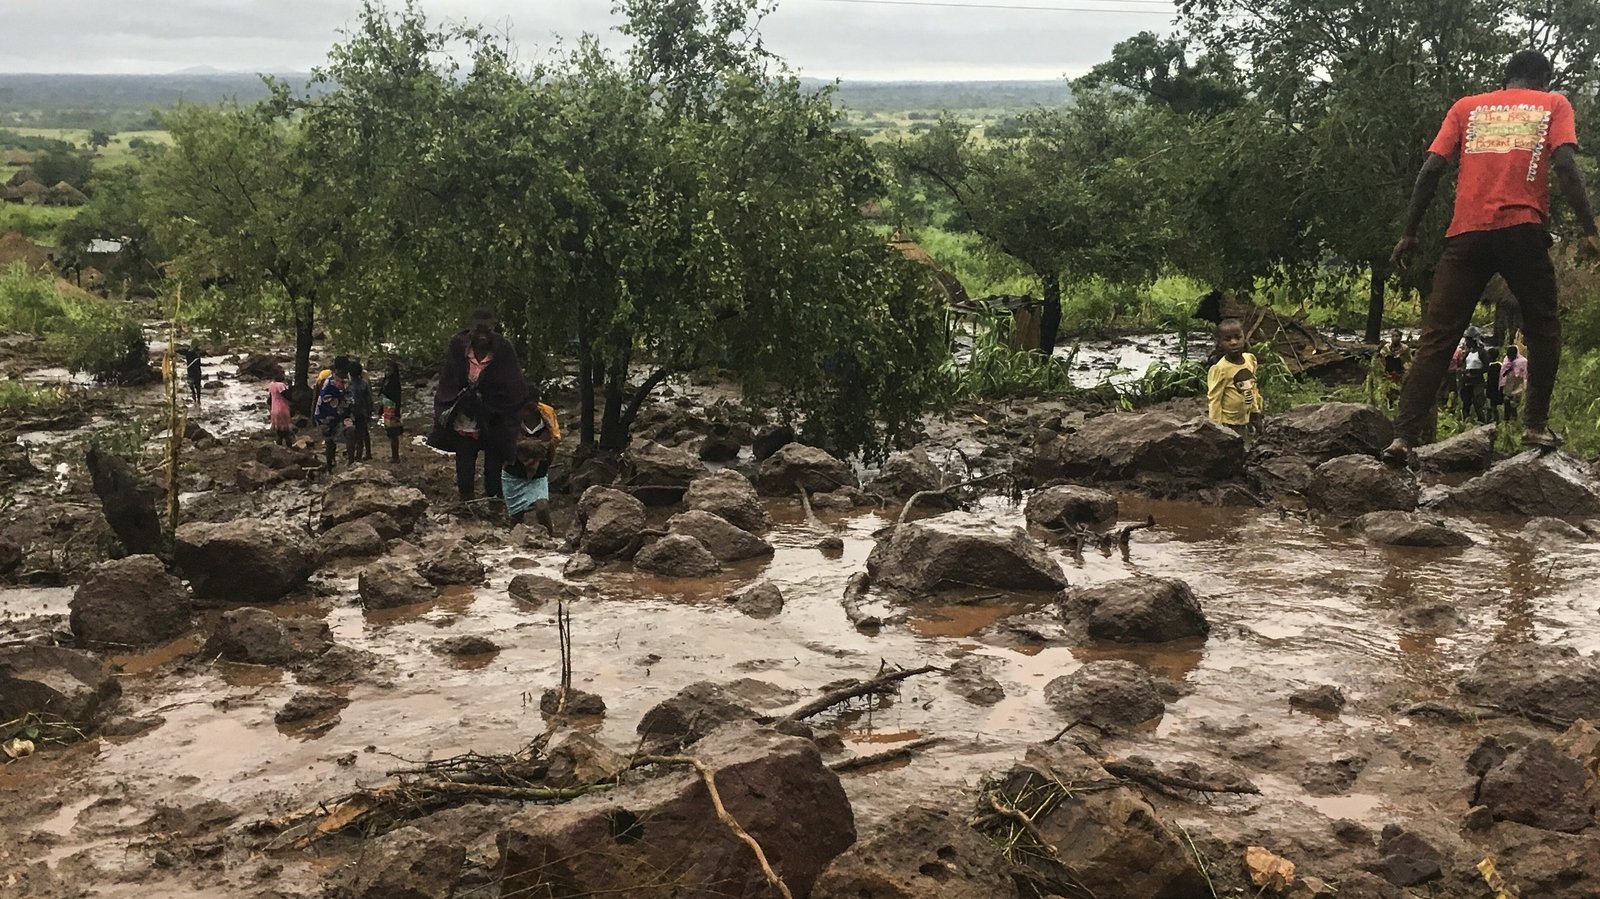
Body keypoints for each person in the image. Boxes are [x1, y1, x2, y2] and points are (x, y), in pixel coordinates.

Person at [1385, 49, 1600, 463]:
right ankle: (1534, 426)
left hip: (1466, 235)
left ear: (1506, 78)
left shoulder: (1466, 108)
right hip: (1523, 231)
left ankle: (1402, 438)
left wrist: (1409, 233)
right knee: (1543, 327)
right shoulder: (1554, 104)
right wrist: (1591, 230)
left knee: (1437, 337)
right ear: (1544, 79)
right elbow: (1567, 168)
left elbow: (1430, 170)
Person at [428, 308, 528, 503]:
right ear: (470, 330)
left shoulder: (504, 350)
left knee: (493, 472)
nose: (482, 335)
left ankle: (494, 508)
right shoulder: (458, 346)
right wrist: (462, 398)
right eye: (477, 330)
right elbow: (448, 380)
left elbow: (514, 387)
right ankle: (466, 506)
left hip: (495, 421)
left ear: (494, 329)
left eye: (487, 330)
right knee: (464, 469)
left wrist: (490, 402)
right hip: (465, 418)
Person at [503, 396, 557, 534]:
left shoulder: (548, 419)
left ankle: (550, 537)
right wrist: (531, 445)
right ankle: (515, 546)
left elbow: (552, 444)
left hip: (538, 474)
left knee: (542, 507)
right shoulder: (511, 418)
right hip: (513, 473)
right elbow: (504, 441)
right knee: (516, 516)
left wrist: (528, 447)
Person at [1207, 319, 1264, 437]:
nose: (1233, 342)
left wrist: (1256, 412)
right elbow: (1215, 400)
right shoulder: (1220, 369)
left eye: (1238, 337)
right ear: (1220, 343)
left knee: (1249, 446)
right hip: (1229, 424)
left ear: (1244, 337)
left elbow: (1252, 389)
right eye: (1227, 339)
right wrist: (1217, 428)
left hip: (1247, 418)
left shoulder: (1250, 360)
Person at [313, 357, 352, 473]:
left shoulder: (334, 379)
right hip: (328, 417)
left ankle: (333, 463)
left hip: (331, 415)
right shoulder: (333, 383)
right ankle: (333, 465)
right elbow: (343, 399)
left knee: (332, 441)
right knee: (334, 439)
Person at [346, 359, 374, 463]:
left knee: (349, 437)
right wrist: (370, 413)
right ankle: (358, 459)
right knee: (360, 437)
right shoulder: (364, 384)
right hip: (361, 414)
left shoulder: (347, 385)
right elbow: (369, 400)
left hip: (348, 415)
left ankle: (350, 460)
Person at [1458, 333, 1490, 422]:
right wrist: (1463, 371)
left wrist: (1474, 372)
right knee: (1466, 402)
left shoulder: (1482, 352)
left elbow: (1486, 367)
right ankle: (1465, 420)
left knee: (1478, 402)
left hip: (1477, 380)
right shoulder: (1468, 353)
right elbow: (1462, 364)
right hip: (1467, 380)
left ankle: (1482, 420)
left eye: (1468, 340)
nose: (1466, 342)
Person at [380, 360, 405, 463]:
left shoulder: (395, 383)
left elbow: (398, 399)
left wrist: (397, 413)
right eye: (385, 370)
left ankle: (395, 457)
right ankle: (394, 456)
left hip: (393, 409)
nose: (387, 372)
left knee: (394, 434)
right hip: (387, 408)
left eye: (389, 370)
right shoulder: (386, 381)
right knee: (390, 433)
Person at [1500, 344, 1528, 422]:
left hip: (1517, 384)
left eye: (1512, 356)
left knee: (1514, 403)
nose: (1510, 358)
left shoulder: (1523, 361)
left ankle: (1514, 420)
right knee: (1506, 401)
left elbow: (1525, 373)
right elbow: (1503, 372)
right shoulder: (1506, 360)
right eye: (1509, 356)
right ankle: (1506, 420)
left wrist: (1525, 383)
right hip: (1508, 384)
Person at [267, 371, 293, 446]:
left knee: (279, 428)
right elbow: (287, 395)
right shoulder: (281, 386)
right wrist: (290, 387)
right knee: (286, 429)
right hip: (282, 408)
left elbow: (270, 398)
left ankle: (279, 443)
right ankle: (288, 444)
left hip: (274, 409)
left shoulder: (271, 385)